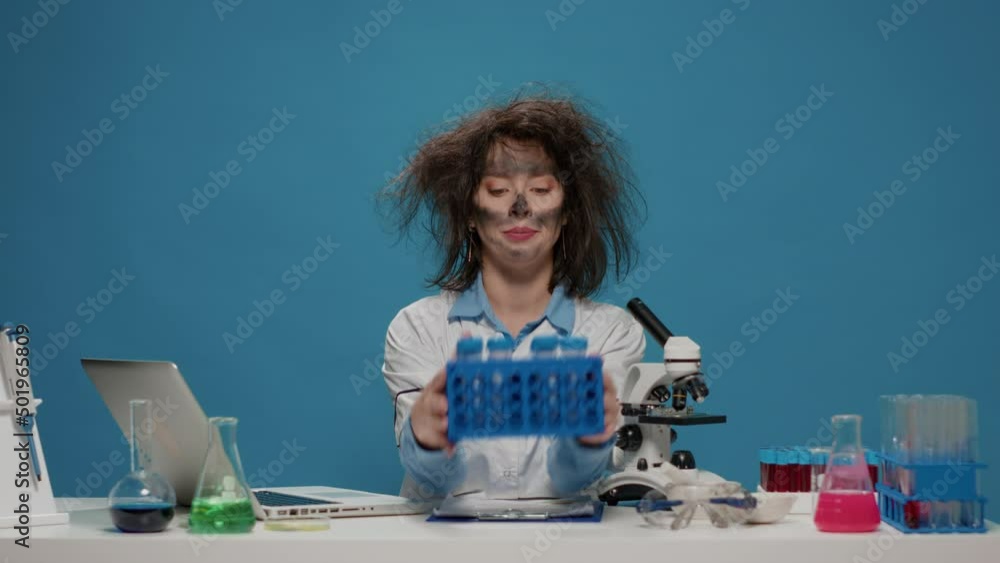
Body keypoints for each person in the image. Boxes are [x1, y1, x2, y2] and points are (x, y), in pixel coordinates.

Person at [379, 93, 647, 501]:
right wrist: (427, 438)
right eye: (498, 189)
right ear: (468, 211)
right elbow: (435, 480)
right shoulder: (417, 327)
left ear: (568, 211)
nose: (521, 208)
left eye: (541, 189)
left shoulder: (612, 334)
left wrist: (588, 441)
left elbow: (574, 480)